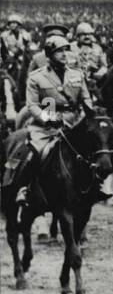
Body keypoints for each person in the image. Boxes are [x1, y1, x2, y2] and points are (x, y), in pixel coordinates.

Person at [2, 36, 92, 207]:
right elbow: (32, 106)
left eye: (66, 50)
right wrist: (49, 118)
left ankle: (95, 187)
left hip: (74, 123)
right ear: (49, 54)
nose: (64, 54)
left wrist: (90, 113)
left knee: (93, 150)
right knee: (34, 152)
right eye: (59, 51)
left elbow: (86, 98)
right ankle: (25, 187)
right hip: (46, 126)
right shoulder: (36, 77)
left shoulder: (77, 74)